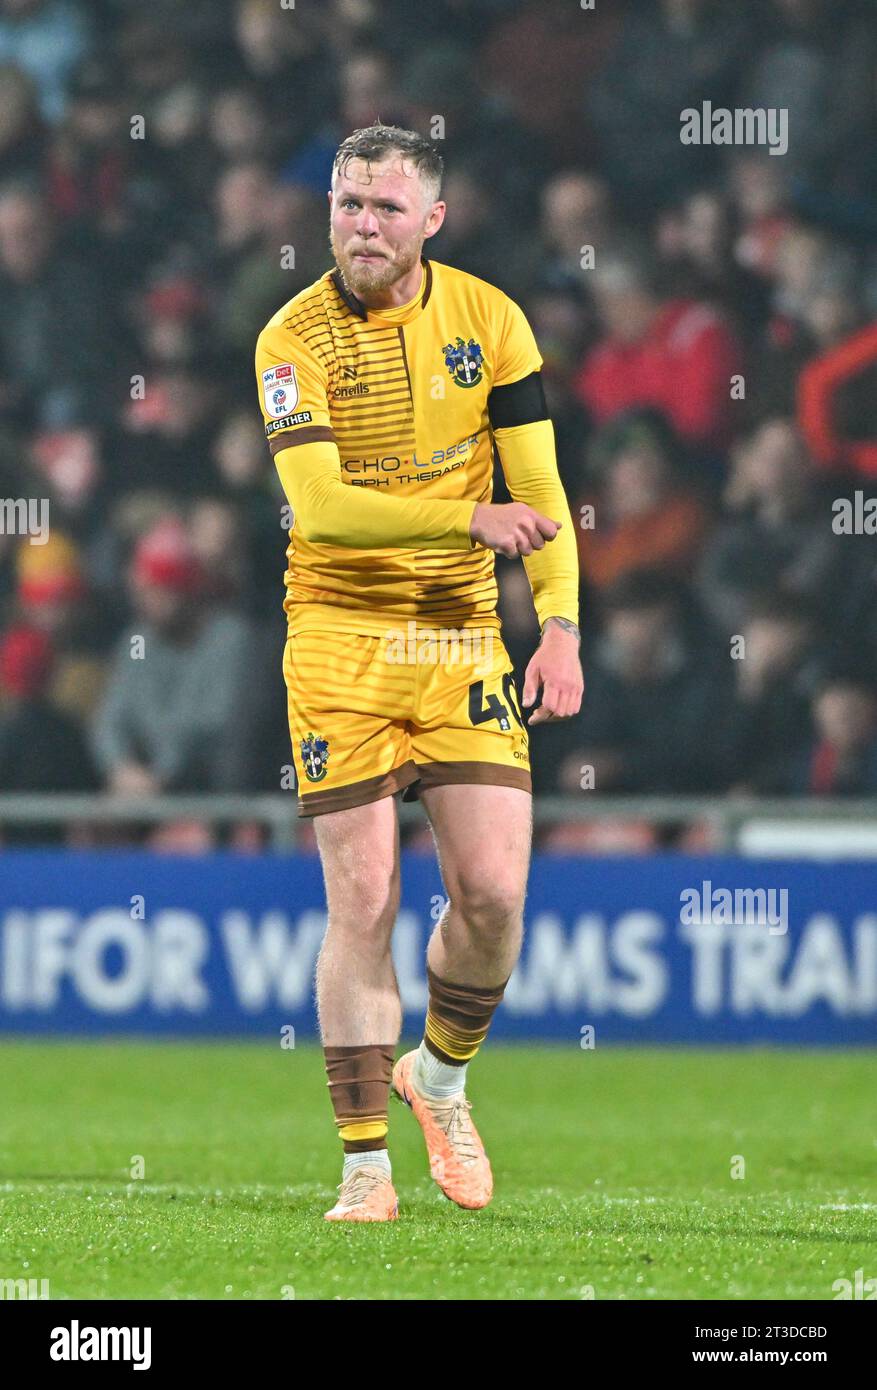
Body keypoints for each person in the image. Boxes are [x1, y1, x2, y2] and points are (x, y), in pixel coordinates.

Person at [255, 124, 583, 1222]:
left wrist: (564, 629)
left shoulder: (490, 321)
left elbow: (538, 487)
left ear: (431, 220)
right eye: (349, 203)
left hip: (456, 640)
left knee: (491, 894)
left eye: (387, 209)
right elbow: (325, 508)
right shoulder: (290, 337)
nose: (362, 225)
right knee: (364, 893)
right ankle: (361, 1168)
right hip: (341, 638)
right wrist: (466, 513)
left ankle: (437, 1078)